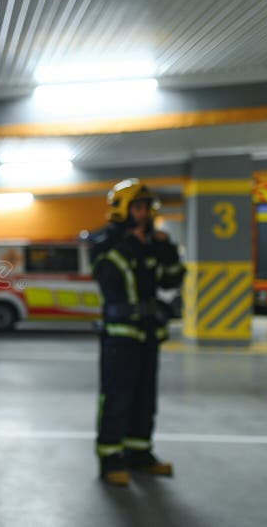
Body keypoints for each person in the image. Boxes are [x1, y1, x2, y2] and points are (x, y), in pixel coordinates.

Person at [89, 178, 185, 487]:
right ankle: (110, 458)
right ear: (123, 209)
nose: (144, 213)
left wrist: (167, 249)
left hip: (148, 334)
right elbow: (108, 278)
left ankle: (140, 454)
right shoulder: (106, 241)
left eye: (147, 208)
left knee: (145, 398)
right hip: (120, 335)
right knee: (117, 397)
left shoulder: (153, 244)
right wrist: (132, 242)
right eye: (138, 207)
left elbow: (170, 281)